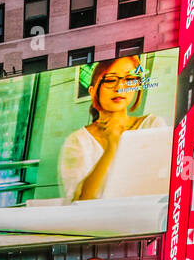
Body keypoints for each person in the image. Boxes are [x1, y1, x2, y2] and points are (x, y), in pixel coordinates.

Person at [60, 56, 168, 203]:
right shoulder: (78, 141)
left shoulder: (153, 125)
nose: (120, 87)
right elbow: (79, 203)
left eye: (129, 79)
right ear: (93, 91)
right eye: (110, 80)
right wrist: (111, 149)